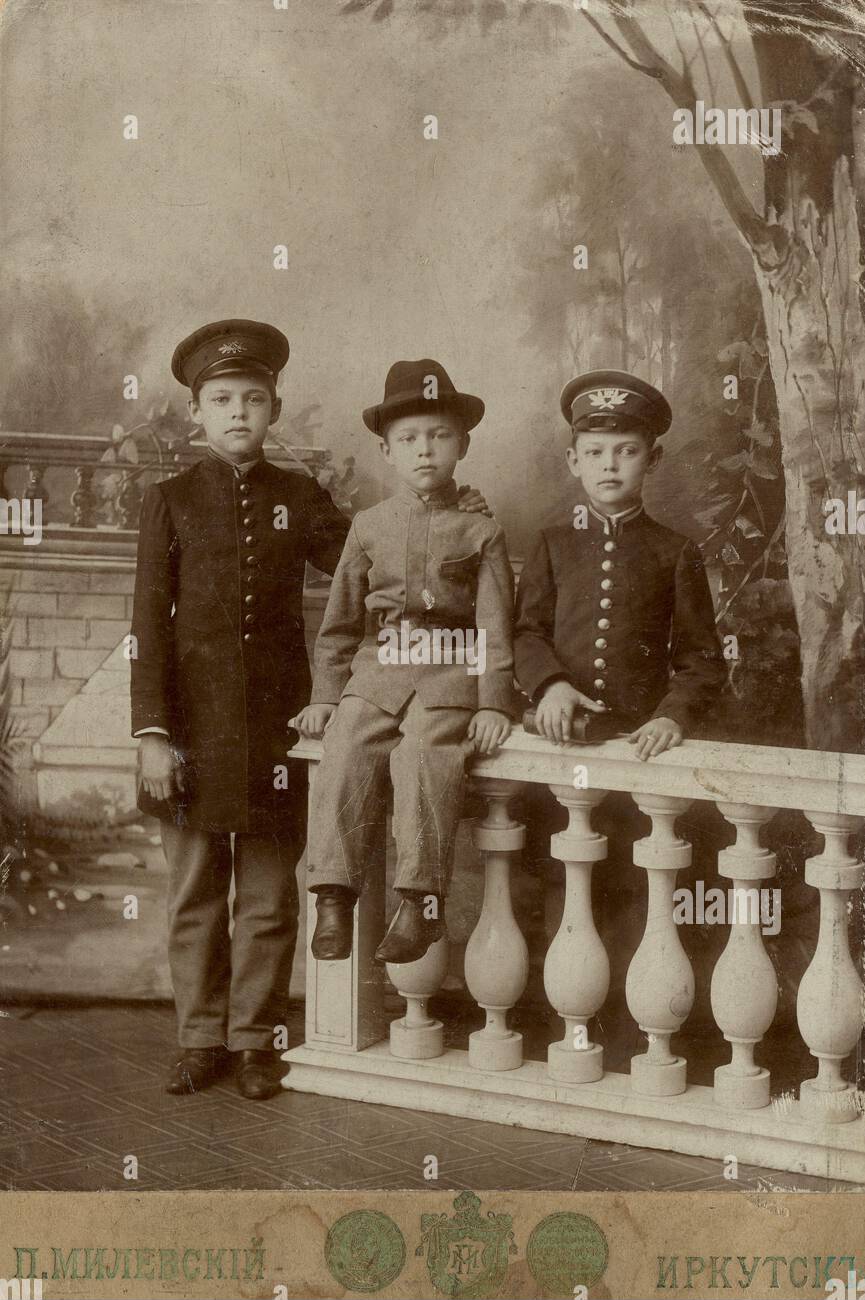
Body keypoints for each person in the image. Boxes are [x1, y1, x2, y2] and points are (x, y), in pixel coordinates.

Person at [131, 323, 493, 1099]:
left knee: (266, 895)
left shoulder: (300, 498)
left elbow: (382, 558)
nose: (238, 414)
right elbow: (145, 629)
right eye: (221, 400)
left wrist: (453, 510)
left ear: (274, 410)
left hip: (274, 728)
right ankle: (200, 1038)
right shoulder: (168, 501)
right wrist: (152, 733)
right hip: (192, 729)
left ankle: (256, 1038)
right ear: (196, 412)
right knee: (194, 891)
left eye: (253, 401)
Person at [291, 359, 515, 966]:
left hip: (450, 671)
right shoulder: (368, 526)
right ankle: (333, 894)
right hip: (382, 668)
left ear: (462, 445)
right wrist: (325, 696)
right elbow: (340, 624)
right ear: (386, 450)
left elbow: (495, 625)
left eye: (439, 436)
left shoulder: (481, 530)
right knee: (345, 747)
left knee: (423, 756)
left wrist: (494, 701)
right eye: (409, 439)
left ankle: (419, 903)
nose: (424, 451)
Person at [514, 369, 727, 899]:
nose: (609, 464)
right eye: (594, 451)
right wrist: (551, 686)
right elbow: (526, 634)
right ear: (573, 461)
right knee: (553, 883)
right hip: (561, 744)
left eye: (627, 450)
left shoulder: (674, 551)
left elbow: (702, 659)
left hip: (637, 749)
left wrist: (672, 715)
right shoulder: (552, 543)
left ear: (652, 460)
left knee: (632, 890)